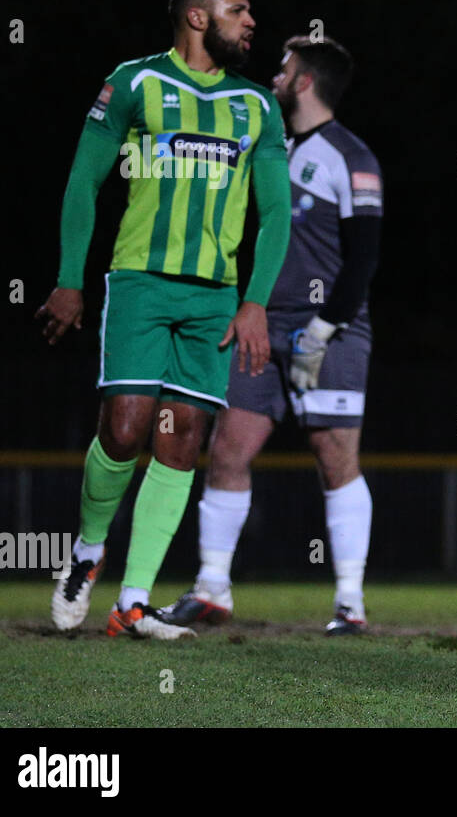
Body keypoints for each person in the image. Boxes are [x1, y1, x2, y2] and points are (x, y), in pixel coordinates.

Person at [41, 0, 291, 639]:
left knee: (180, 446)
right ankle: (87, 555)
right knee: (124, 430)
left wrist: (255, 301)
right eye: (239, 11)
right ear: (199, 18)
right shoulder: (134, 83)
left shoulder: (257, 107)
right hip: (140, 285)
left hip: (214, 300)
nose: (251, 22)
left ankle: (133, 602)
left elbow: (277, 215)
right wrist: (70, 278)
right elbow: (83, 181)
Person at [162, 36, 384, 634]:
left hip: (329, 331)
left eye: (285, 69)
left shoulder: (351, 155)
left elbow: (363, 261)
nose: (276, 76)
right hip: (259, 323)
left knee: (334, 456)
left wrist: (321, 330)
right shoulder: (267, 148)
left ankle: (350, 604)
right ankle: (212, 589)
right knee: (229, 449)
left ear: (306, 81)